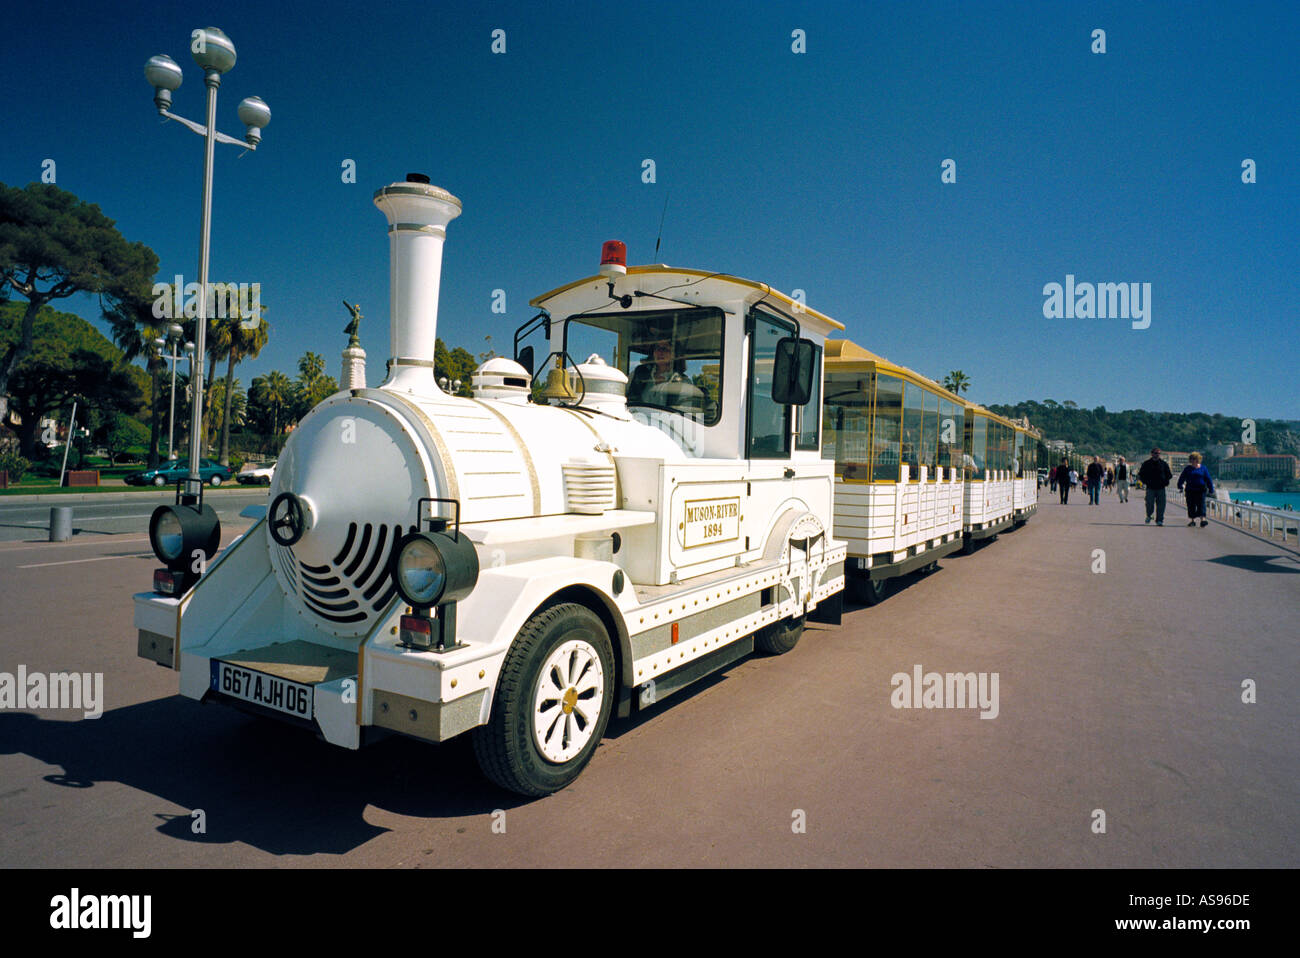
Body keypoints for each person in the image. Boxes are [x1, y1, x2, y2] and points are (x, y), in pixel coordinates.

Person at [1177, 452, 1215, 527]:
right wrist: (1180, 486)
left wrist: (1211, 489)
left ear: (1198, 459)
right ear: (1190, 460)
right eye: (1192, 459)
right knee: (1191, 505)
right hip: (1190, 490)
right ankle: (1192, 521)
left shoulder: (1203, 468)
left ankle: (1203, 520)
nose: (1194, 460)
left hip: (1201, 490)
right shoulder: (1187, 469)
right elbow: (1182, 478)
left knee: (1201, 505)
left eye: (1195, 459)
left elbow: (1208, 479)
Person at [1137, 447, 1173, 525]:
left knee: (1161, 505)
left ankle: (1159, 520)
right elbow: (1141, 474)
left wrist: (1165, 481)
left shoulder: (1164, 464)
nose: (1157, 455)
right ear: (1152, 454)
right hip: (1150, 487)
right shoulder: (1146, 463)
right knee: (1149, 503)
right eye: (1155, 453)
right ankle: (1149, 515)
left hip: (1161, 487)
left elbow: (1169, 475)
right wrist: (1145, 482)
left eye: (1158, 453)